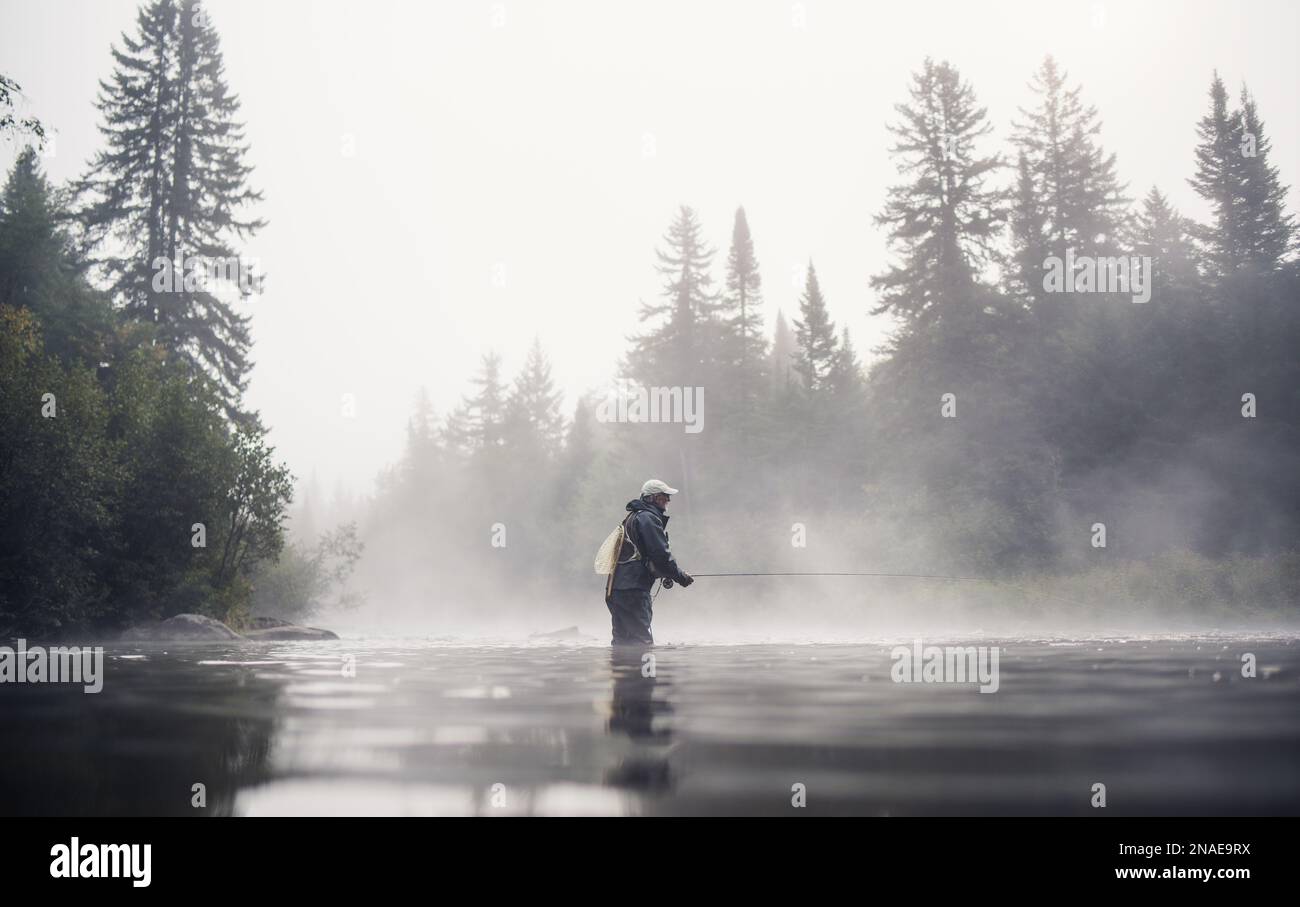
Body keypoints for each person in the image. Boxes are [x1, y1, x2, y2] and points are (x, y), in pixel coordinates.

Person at [605, 479, 694, 646]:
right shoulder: (648, 518)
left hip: (616, 589)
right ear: (652, 498)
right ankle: (645, 672)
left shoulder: (633, 517)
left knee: (621, 642)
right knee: (642, 642)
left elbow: (646, 556)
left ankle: (621, 671)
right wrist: (680, 576)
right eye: (664, 496)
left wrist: (666, 574)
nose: (668, 500)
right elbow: (660, 555)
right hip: (633, 591)